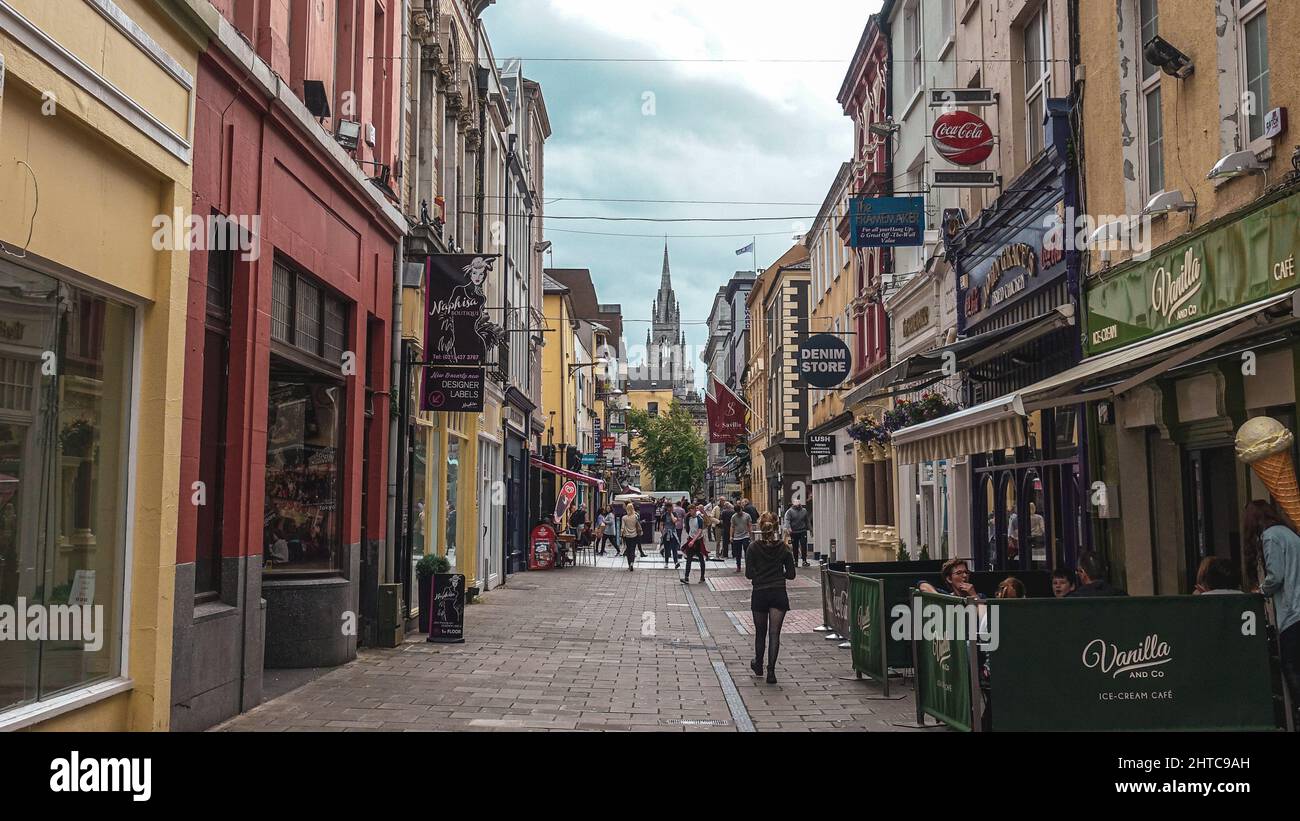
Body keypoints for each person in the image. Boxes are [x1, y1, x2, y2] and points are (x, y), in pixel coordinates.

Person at [1243, 500, 1300, 705]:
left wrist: (1260, 591)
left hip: (1293, 612)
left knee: (1291, 665)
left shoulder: (1270, 536)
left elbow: (1276, 576)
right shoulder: (1289, 533)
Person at [746, 512, 797, 684]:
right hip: (778, 593)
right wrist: (778, 573)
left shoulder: (753, 548)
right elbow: (791, 575)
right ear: (776, 528)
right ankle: (771, 672)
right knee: (774, 634)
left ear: (760, 527)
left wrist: (759, 574)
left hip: (760, 592)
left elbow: (748, 574)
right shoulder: (784, 548)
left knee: (760, 632)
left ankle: (758, 664)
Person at [682, 504, 709, 584]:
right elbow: (689, 528)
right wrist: (689, 537)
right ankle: (686, 577)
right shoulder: (689, 518)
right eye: (689, 510)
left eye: (691, 510)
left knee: (701, 559)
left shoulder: (699, 519)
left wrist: (693, 540)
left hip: (698, 541)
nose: (690, 512)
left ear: (694, 509)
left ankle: (702, 577)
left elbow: (699, 531)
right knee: (689, 559)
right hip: (691, 539)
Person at [782, 498, 811, 568]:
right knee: (795, 546)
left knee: (804, 545)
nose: (797, 506)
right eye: (796, 505)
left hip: (802, 531)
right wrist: (789, 528)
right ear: (793, 505)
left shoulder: (804, 511)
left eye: (798, 505)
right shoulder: (789, 512)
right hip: (794, 532)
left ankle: (804, 560)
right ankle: (796, 561)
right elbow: (787, 520)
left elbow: (807, 521)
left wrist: (810, 529)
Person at [730, 502, 753, 573]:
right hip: (737, 537)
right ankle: (738, 566)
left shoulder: (747, 516)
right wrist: (731, 536)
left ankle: (748, 566)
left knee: (747, 551)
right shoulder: (734, 517)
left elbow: (749, 525)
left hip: (745, 536)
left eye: (739, 511)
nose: (738, 513)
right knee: (738, 553)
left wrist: (750, 535)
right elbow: (732, 527)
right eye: (737, 512)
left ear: (741, 509)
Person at [620, 502, 643, 571]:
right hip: (634, 535)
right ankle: (632, 563)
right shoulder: (635, 517)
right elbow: (637, 525)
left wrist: (621, 534)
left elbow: (622, 527)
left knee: (628, 550)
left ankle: (629, 563)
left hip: (627, 536)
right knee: (632, 550)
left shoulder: (624, 518)